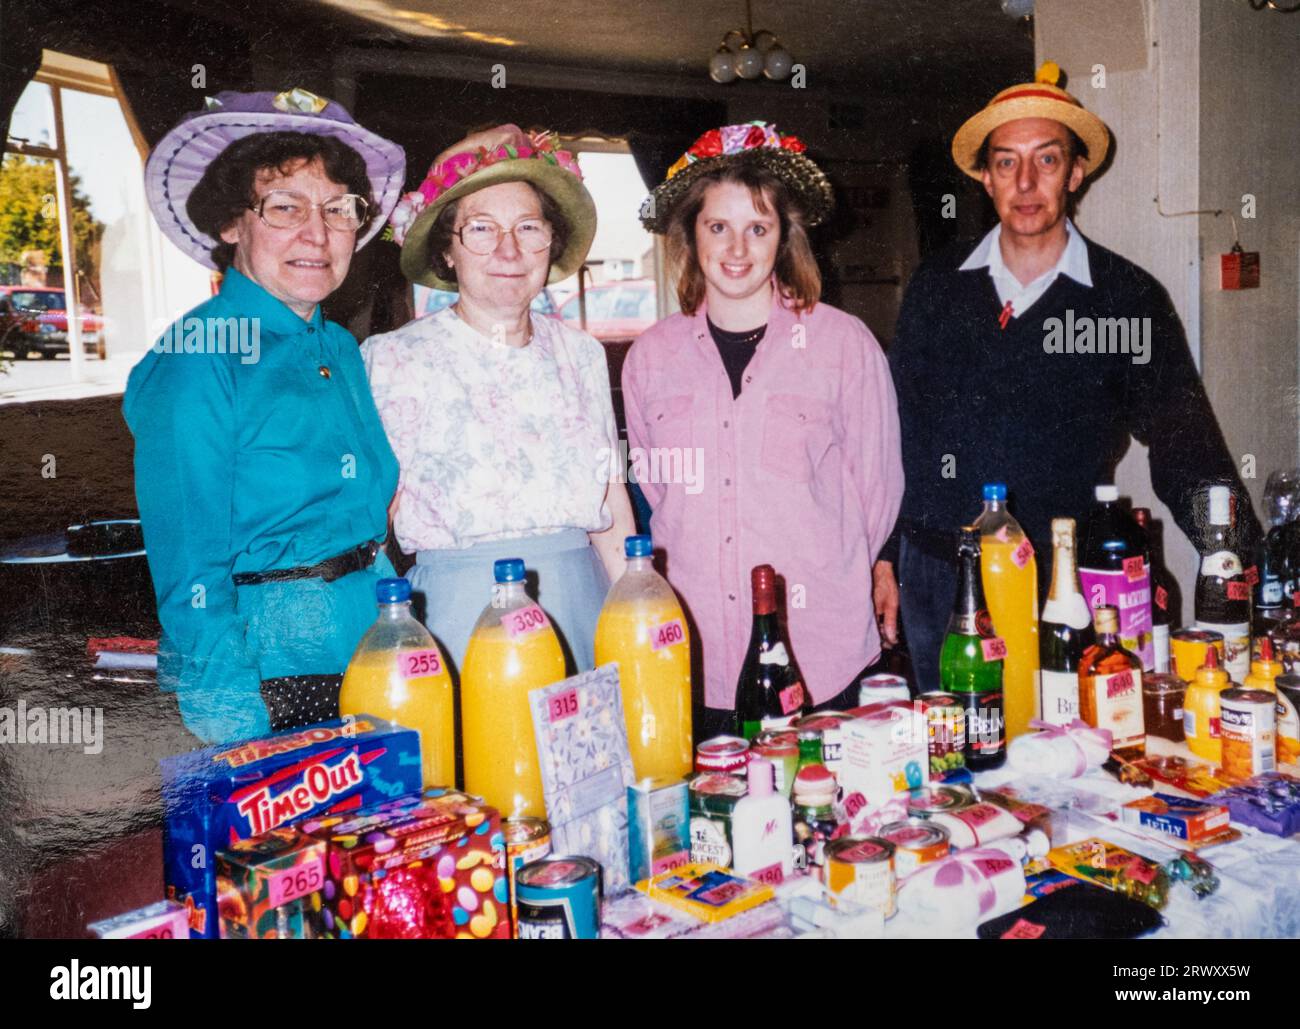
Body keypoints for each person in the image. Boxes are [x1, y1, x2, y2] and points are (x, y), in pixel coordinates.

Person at [878, 62, 1260, 691]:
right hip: (939, 578)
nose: (1025, 182)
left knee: (1067, 765)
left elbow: (1186, 445)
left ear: (1076, 172)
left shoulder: (1127, 298)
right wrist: (885, 558)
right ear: (984, 177)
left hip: (1066, 582)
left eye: (1047, 160)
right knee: (954, 770)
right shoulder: (936, 290)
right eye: (1006, 162)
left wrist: (1240, 559)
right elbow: (896, 434)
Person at [125, 88, 406, 743]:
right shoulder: (199, 356)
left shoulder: (338, 345)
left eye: (338, 209)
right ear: (231, 224)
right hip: (269, 671)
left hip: (373, 644)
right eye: (285, 207)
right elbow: (189, 563)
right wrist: (232, 722)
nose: (318, 232)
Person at [624, 122, 904, 739]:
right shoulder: (651, 357)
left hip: (820, 653)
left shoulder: (842, 345)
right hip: (693, 657)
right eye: (717, 226)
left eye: (758, 228)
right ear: (690, 236)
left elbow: (876, 494)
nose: (737, 249)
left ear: (785, 238)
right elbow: (656, 489)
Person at [364, 125, 635, 674]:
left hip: (582, 607)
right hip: (457, 620)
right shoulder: (392, 359)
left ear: (550, 244)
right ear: (447, 248)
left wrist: (635, 617)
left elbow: (612, 512)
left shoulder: (581, 354)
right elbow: (374, 525)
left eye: (528, 228)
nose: (508, 250)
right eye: (481, 229)